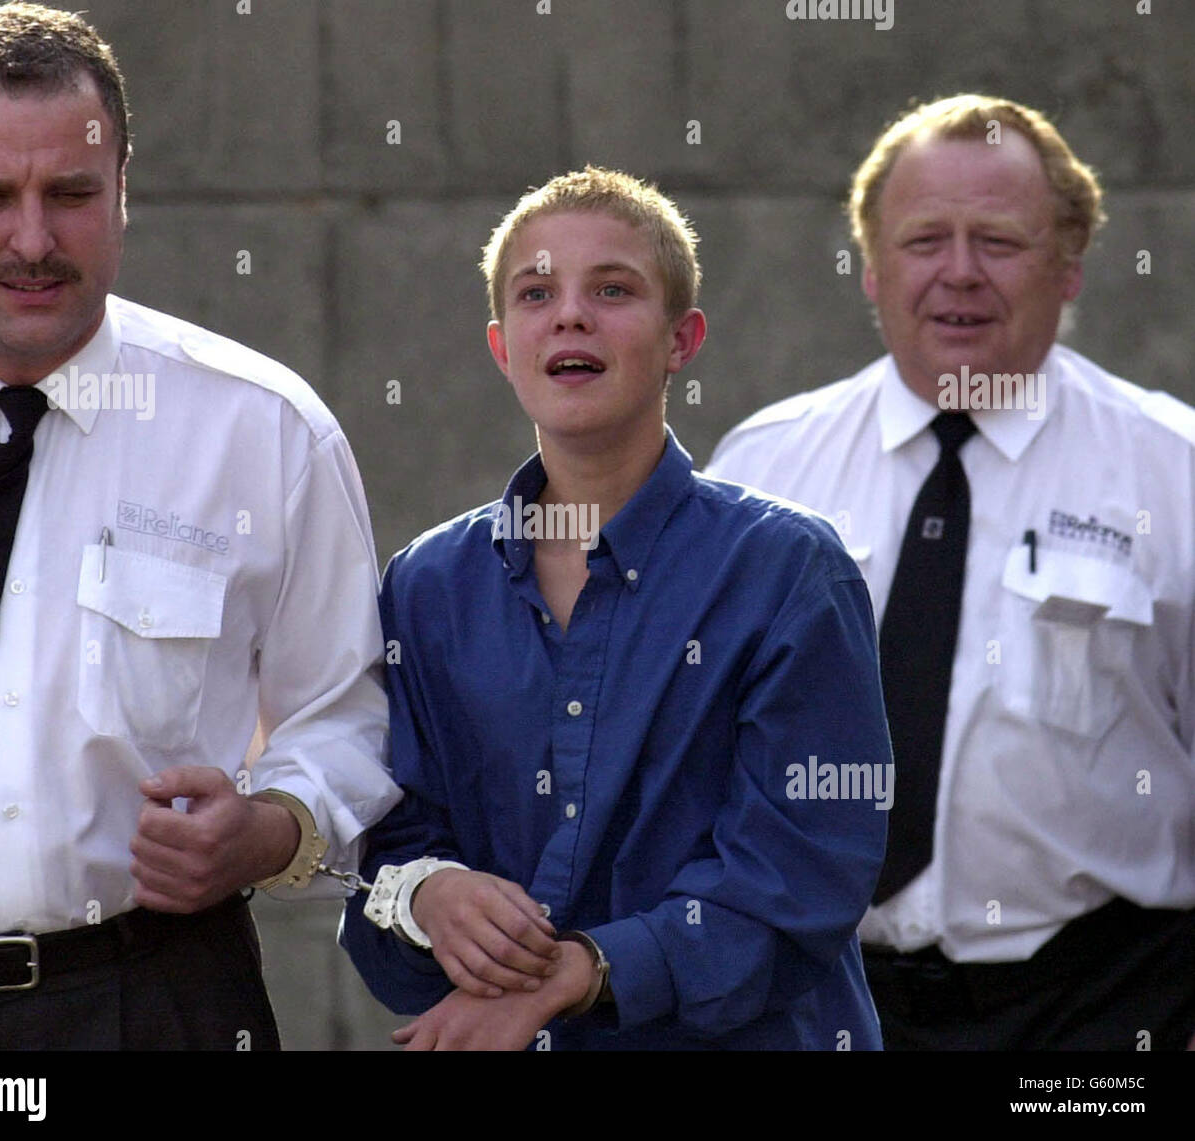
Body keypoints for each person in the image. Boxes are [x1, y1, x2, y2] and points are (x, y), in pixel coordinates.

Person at [0, 3, 399, 1049]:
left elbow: (347, 713)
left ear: (125, 190)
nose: (32, 240)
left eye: (72, 194)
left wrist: (271, 830)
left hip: (158, 1000)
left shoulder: (261, 431)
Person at [339, 166, 891, 1050]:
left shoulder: (787, 570)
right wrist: (429, 896)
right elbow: (387, 836)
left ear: (683, 340)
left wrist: (589, 968)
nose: (569, 314)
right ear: (502, 345)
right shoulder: (428, 584)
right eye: (536, 292)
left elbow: (801, 877)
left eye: (613, 289)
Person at [708, 94, 1195, 1050]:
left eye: (1000, 242)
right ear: (871, 268)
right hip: (818, 1001)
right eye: (926, 239)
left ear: (1070, 269)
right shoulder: (762, 471)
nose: (959, 273)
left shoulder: (1173, 471)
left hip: (1105, 1006)